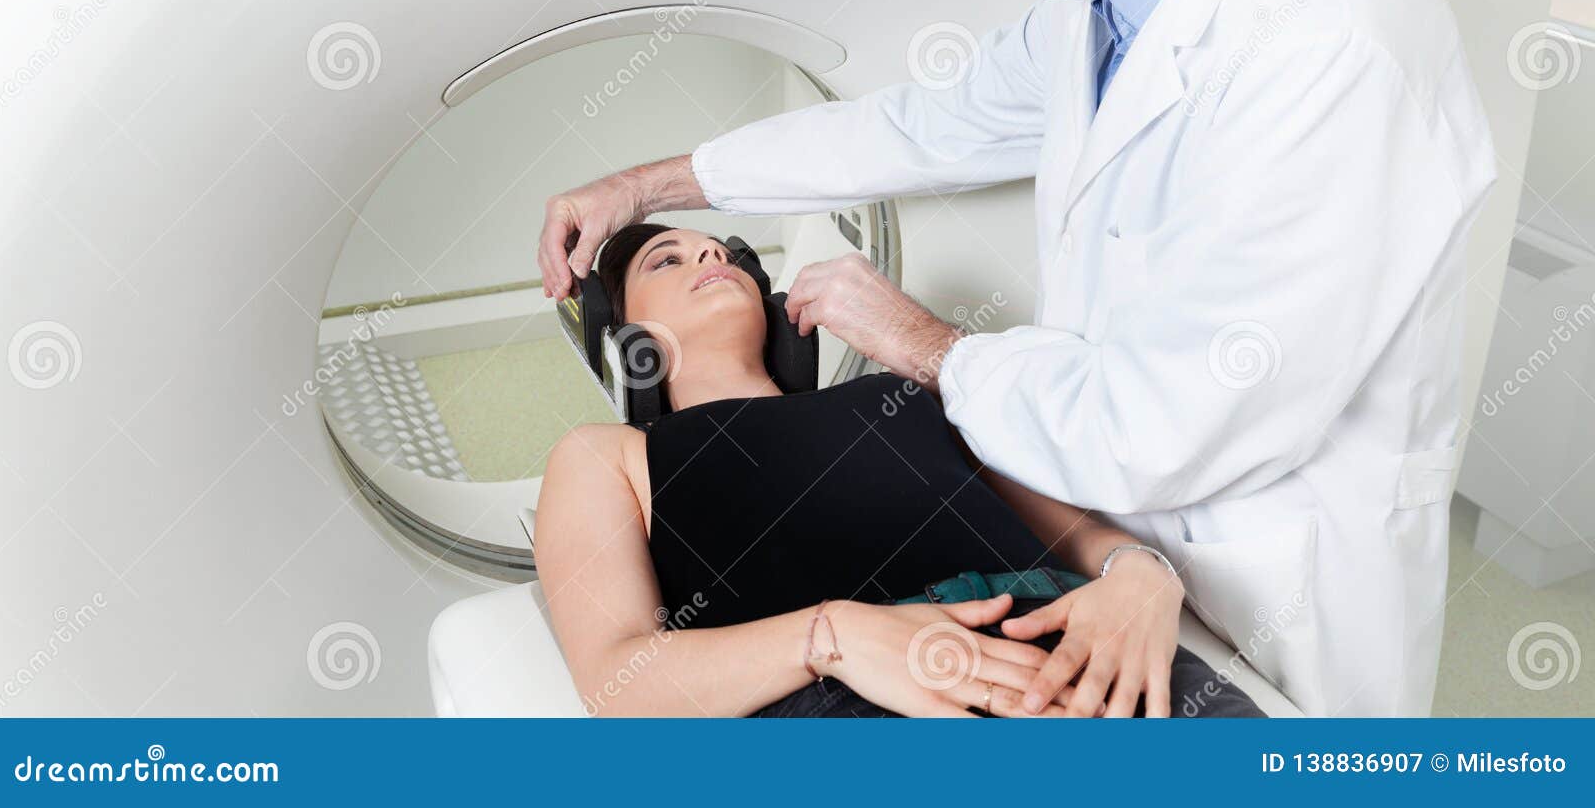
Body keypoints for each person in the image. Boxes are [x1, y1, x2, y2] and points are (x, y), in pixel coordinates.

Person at [538, 0, 1495, 716]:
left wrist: (925, 347)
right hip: (1080, 585)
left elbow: (1161, 429)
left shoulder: (1330, 41)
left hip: (1267, 569)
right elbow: (915, 123)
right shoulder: (1112, 0)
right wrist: (648, 185)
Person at [534, 222, 1262, 717]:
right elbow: (617, 682)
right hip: (854, 697)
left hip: (1084, 653)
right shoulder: (610, 455)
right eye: (668, 258)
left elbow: (1078, 535)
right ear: (622, 337)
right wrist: (835, 636)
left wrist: (1143, 574)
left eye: (723, 252)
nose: (710, 259)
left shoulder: (909, 394)